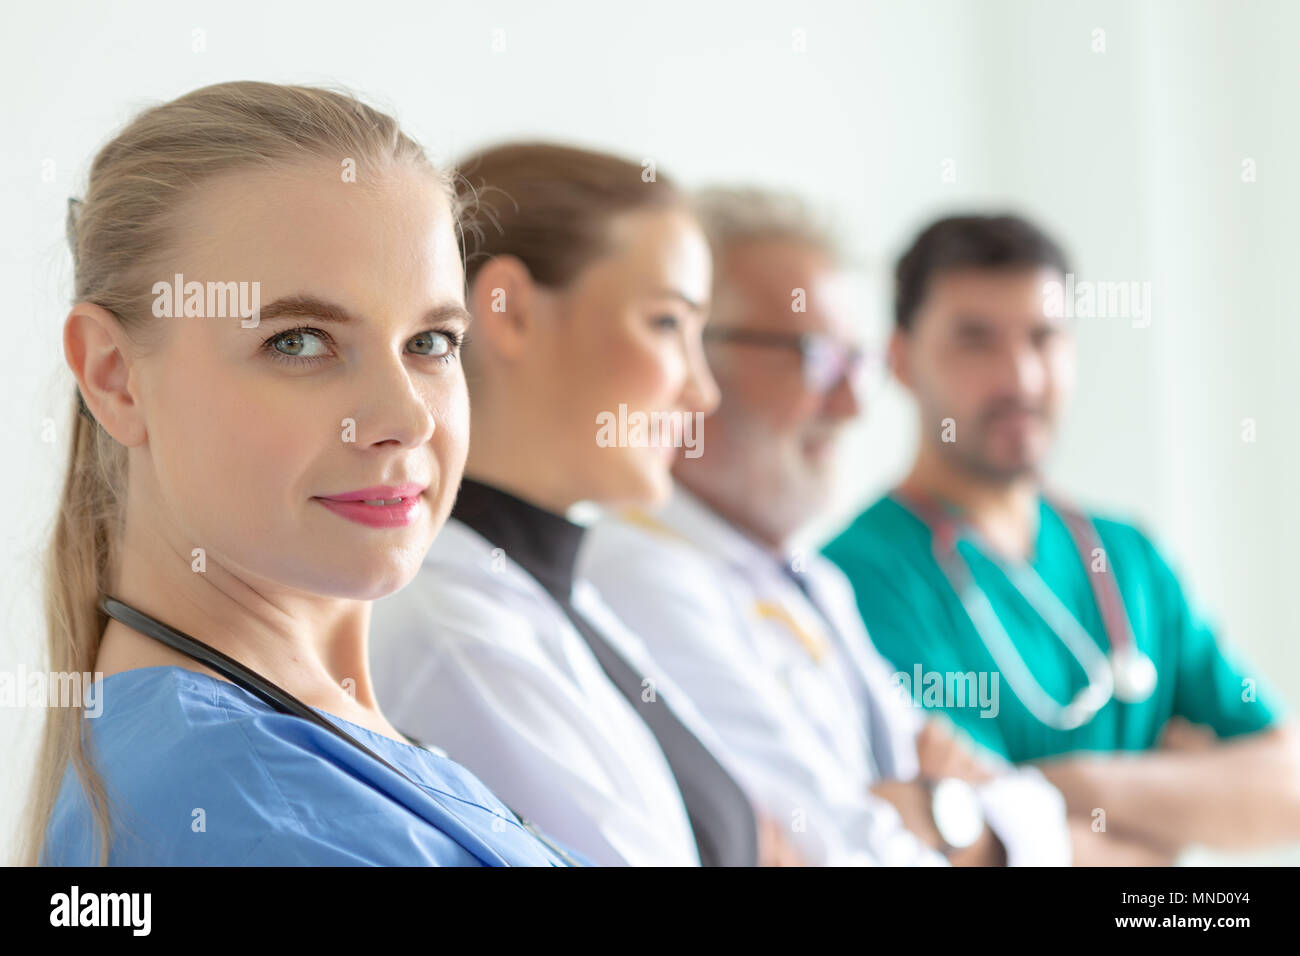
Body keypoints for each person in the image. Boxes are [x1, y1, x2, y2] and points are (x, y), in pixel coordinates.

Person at [27, 82, 580, 867]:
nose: (407, 418)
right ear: (115, 376)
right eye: (299, 341)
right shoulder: (232, 810)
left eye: (431, 342)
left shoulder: (317, 746)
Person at [582, 188, 1077, 866]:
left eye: (856, 364)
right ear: (695, 353)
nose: (849, 406)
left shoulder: (814, 582)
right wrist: (951, 817)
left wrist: (938, 812)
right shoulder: (638, 578)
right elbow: (846, 855)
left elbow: (1040, 822)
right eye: (814, 357)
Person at [823, 213, 1300, 858]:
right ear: (901, 361)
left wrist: (1061, 789)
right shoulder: (857, 580)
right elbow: (962, 844)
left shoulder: (1127, 556)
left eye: (1044, 337)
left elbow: (1287, 789)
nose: (1020, 377)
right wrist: (1179, 821)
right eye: (975, 340)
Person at [370, 143, 771, 867]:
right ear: (511, 310)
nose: (701, 391)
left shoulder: (558, 592)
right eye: (666, 324)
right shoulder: (454, 631)